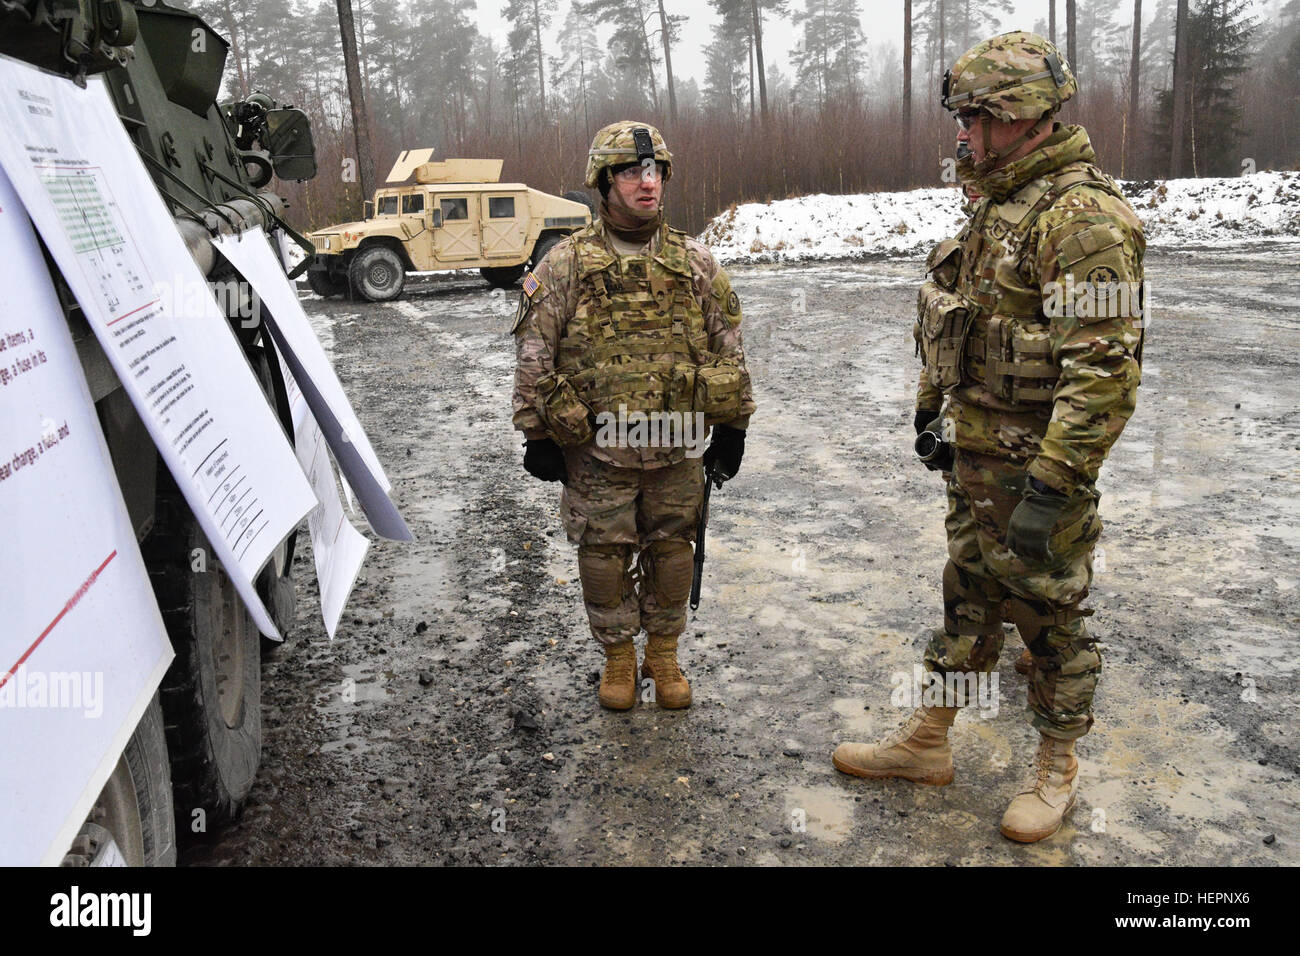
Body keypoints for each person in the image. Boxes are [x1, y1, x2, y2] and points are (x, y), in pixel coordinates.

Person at [834, 32, 1145, 843]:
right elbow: (964, 324)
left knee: (1050, 618)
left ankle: (1056, 766)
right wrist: (933, 408)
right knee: (967, 598)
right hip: (975, 464)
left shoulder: (1083, 219)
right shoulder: (999, 203)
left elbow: (1102, 376)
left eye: (976, 115)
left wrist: (1053, 484)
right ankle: (930, 741)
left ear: (1023, 116)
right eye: (962, 116)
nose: (962, 132)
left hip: (1036, 479)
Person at [511, 121, 755, 711]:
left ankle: (664, 655)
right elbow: (534, 351)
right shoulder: (565, 264)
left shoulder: (695, 262)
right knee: (602, 552)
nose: (646, 184)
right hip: (598, 448)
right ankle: (619, 657)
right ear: (604, 182)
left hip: (678, 444)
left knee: (674, 549)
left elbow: (729, 348)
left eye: (654, 172)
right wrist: (536, 432)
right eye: (630, 172)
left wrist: (734, 427)